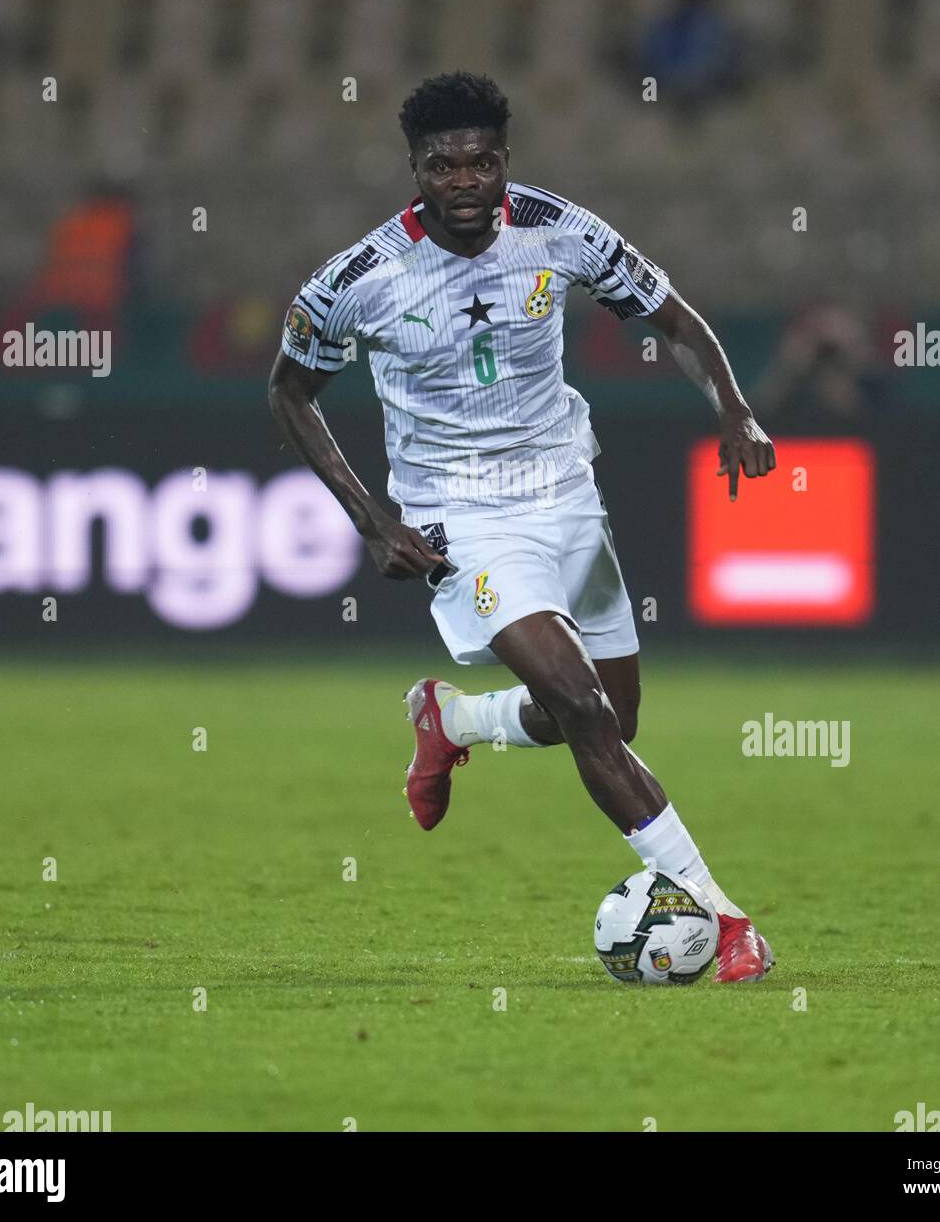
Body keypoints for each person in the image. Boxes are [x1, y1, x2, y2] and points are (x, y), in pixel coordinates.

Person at [268, 72, 777, 982]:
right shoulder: (361, 276)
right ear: (416, 170)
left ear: (504, 160)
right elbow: (290, 388)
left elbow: (676, 318)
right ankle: (721, 914)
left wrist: (734, 412)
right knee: (583, 708)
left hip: (567, 494)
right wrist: (373, 517)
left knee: (611, 717)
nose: (465, 179)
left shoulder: (561, 229)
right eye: (443, 164)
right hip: (457, 514)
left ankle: (453, 719)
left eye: (482, 161)